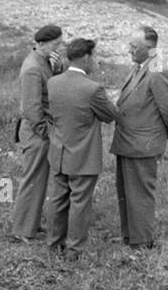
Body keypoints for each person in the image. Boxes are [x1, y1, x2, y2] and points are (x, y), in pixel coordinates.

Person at [45, 38, 116, 255]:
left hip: (58, 151)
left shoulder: (53, 82)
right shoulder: (93, 89)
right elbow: (111, 115)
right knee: (79, 202)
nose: (95, 62)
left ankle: (54, 243)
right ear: (86, 58)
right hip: (83, 156)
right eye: (93, 57)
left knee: (57, 199)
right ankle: (74, 248)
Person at [111, 27, 168, 251]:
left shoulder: (157, 70)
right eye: (130, 45)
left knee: (139, 194)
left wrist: (167, 132)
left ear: (150, 49)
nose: (129, 50)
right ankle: (130, 236)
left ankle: (142, 242)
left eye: (134, 47)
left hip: (142, 144)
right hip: (129, 140)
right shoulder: (141, 65)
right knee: (125, 191)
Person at [10, 24, 65, 243]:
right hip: (36, 133)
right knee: (32, 180)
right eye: (55, 44)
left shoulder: (43, 61)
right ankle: (23, 230)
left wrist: (58, 68)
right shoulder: (32, 68)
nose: (58, 48)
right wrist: (46, 133)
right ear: (41, 44)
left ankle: (30, 224)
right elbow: (32, 108)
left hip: (40, 132)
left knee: (39, 180)